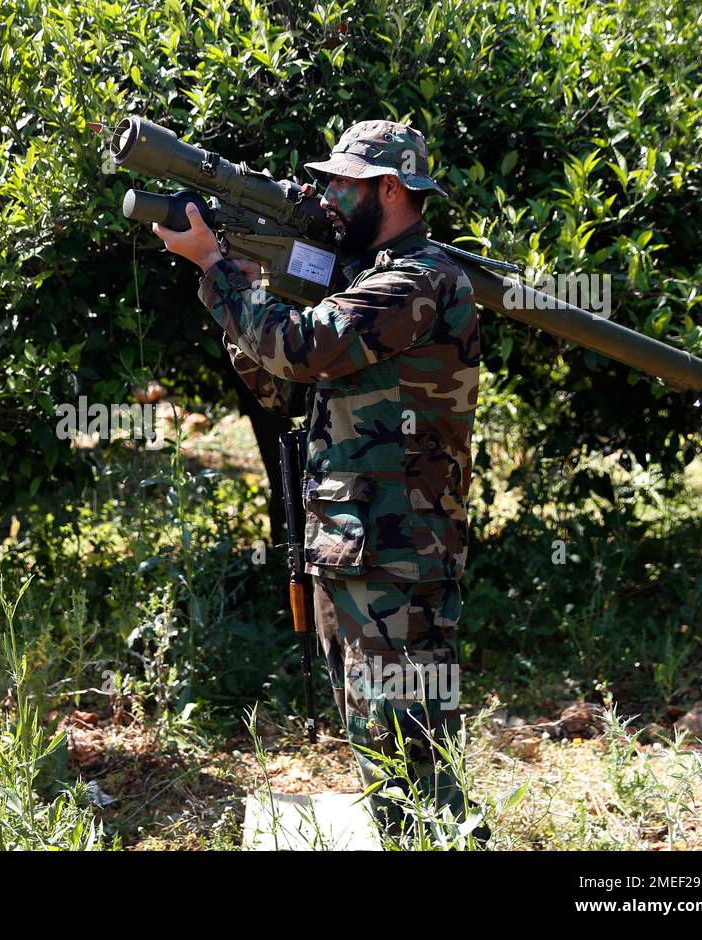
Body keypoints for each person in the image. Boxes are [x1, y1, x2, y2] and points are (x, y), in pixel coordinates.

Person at [153, 121, 484, 844]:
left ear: (390, 190)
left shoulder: (417, 280)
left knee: (413, 747)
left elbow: (302, 347)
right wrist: (248, 275)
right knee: (378, 736)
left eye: (344, 183)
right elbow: (278, 380)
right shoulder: (365, 279)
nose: (329, 196)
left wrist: (216, 266)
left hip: (399, 552)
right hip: (356, 544)